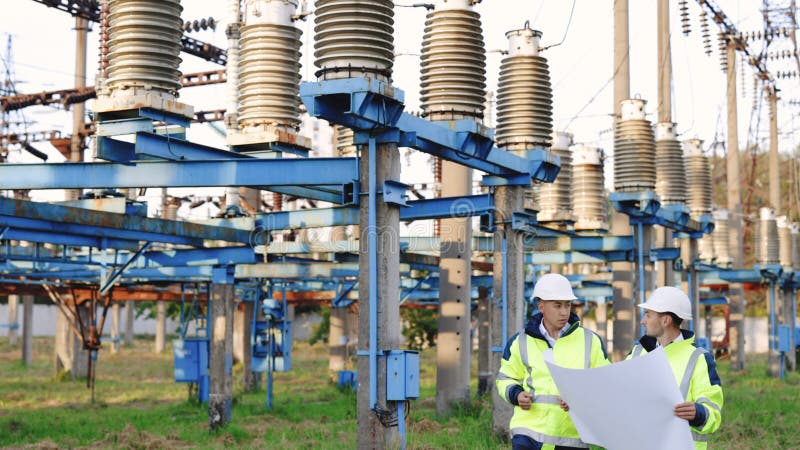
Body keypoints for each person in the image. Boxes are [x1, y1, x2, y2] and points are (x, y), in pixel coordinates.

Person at [496, 273, 610, 450]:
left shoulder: (590, 341)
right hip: (528, 434)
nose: (564, 312)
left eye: (568, 305)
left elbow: (604, 382)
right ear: (541, 306)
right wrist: (516, 394)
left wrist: (581, 399)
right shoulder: (520, 341)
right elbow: (505, 378)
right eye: (557, 305)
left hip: (570, 437)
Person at [628, 286, 723, 449]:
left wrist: (698, 413)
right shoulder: (637, 353)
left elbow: (713, 412)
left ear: (665, 320)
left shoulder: (698, 358)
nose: (643, 321)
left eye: (648, 315)